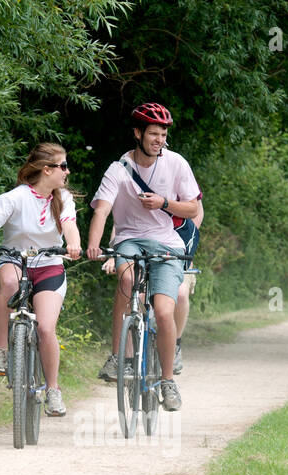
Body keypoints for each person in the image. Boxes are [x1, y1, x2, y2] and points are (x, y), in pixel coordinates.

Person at [86, 102, 202, 412]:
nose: (159, 140)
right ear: (137, 133)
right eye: (153, 133)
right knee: (127, 281)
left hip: (166, 243)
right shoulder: (119, 169)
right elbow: (102, 210)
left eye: (163, 134)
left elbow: (192, 208)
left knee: (164, 312)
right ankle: (119, 358)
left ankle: (167, 380)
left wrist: (165, 203)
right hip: (129, 240)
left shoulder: (176, 163)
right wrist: (94, 245)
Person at [0, 144, 82, 417]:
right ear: (47, 170)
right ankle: (2, 351)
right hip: (16, 261)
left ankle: (53, 390)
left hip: (50, 266)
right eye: (63, 166)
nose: (67, 171)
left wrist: (74, 245)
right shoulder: (14, 198)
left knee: (45, 329)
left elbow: (70, 227)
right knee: (8, 283)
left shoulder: (63, 198)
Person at [101, 199, 202, 372]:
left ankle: (175, 344)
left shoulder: (180, 181)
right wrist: (114, 254)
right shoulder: (135, 184)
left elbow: (195, 214)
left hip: (175, 249)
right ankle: (127, 358)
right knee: (135, 294)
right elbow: (121, 223)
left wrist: (185, 248)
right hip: (140, 249)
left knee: (180, 294)